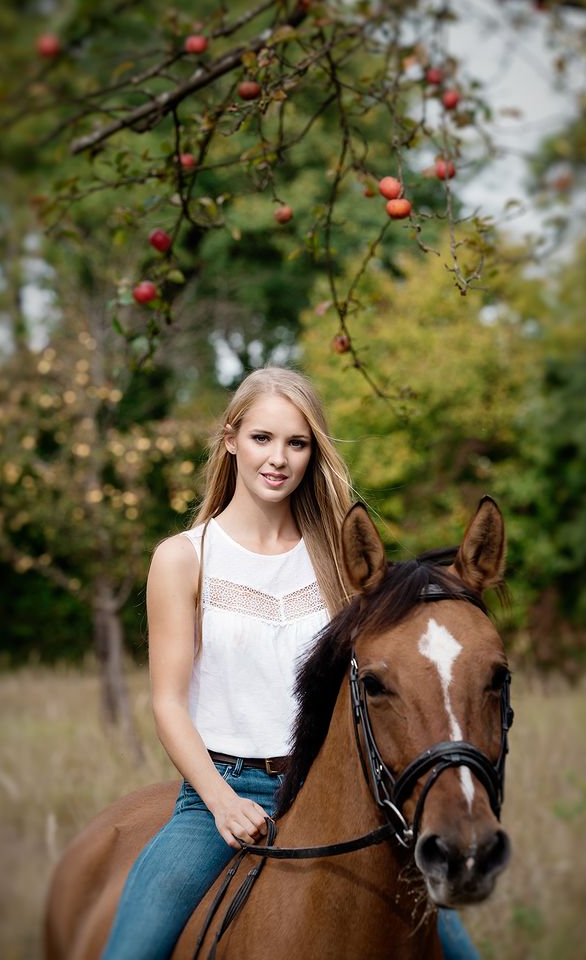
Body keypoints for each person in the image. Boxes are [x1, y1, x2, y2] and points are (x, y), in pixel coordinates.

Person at [102, 366, 479, 960]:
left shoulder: (338, 559)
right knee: (134, 946)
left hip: (336, 792)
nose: (278, 458)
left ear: (312, 453)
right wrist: (223, 803)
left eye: (297, 443)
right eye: (262, 438)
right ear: (230, 439)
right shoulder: (183, 558)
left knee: (457, 950)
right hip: (221, 792)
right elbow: (167, 702)